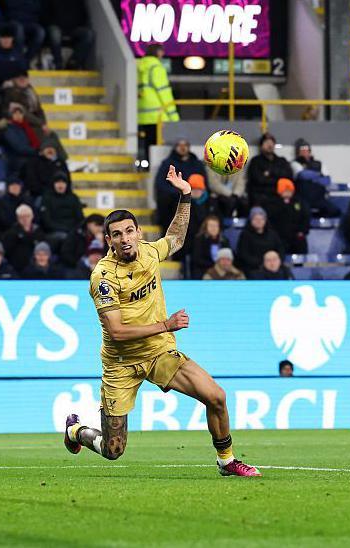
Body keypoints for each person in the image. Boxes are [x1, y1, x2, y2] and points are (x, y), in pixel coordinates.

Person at [64, 165, 260, 477]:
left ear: (138, 232)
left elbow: (177, 238)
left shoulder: (149, 252)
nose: (125, 239)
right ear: (108, 240)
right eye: (117, 234)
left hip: (159, 353)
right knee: (113, 450)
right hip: (121, 363)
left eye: (130, 231)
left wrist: (185, 195)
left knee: (217, 397)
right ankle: (77, 432)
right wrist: (166, 325)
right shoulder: (102, 276)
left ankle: (227, 460)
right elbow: (116, 332)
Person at [136, 44, 178, 160]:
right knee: (159, 145)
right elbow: (163, 92)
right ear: (158, 52)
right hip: (158, 114)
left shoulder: (139, 67)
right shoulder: (156, 68)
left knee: (148, 143)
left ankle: (147, 166)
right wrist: (173, 115)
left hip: (143, 115)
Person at [154, 140, 207, 229]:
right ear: (175, 147)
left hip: (195, 196)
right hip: (174, 196)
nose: (182, 147)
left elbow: (205, 183)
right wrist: (180, 192)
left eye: (185, 144)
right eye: (179, 145)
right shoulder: (167, 163)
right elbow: (160, 184)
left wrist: (196, 192)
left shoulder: (197, 164)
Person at [263, 178, 309, 255]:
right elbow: (271, 219)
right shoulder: (272, 203)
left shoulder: (298, 202)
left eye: (290, 190)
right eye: (285, 190)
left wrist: (302, 231)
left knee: (300, 245)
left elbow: (305, 217)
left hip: (296, 237)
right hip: (279, 237)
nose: (288, 192)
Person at [234, 206, 284, 277]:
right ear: (251, 221)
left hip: (273, 267)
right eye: (256, 219)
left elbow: (281, 250)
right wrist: (263, 263)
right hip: (254, 268)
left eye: (261, 219)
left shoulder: (272, 234)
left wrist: (276, 262)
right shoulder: (245, 235)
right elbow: (243, 254)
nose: (259, 221)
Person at [246, 133, 293, 207]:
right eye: (267, 143)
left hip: (280, 195)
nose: (270, 145)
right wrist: (278, 178)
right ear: (261, 146)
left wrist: (270, 173)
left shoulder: (282, 161)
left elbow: (288, 176)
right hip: (262, 196)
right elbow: (258, 180)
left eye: (271, 143)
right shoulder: (256, 161)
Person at [43, 1, 94, 70]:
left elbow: (84, 14)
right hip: (57, 26)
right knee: (55, 32)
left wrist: (77, 24)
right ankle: (58, 63)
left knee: (88, 34)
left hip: (74, 28)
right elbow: (45, 14)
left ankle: (73, 63)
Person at [39, 174, 84, 244]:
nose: (60, 185)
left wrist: (73, 230)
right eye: (58, 182)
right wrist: (64, 229)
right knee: (65, 238)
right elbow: (46, 221)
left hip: (72, 231)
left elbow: (80, 218)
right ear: (53, 184)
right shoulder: (47, 198)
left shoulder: (74, 198)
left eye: (63, 182)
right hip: (53, 231)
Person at [2, 203, 47, 273]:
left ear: (32, 217)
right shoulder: (10, 233)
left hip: (36, 268)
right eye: (22, 217)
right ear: (18, 218)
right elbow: (7, 251)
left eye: (27, 216)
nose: (25, 219)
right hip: (17, 268)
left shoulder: (38, 232)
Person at [0, 104, 39, 178]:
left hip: (27, 158)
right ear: (11, 116)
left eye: (20, 113)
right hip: (15, 160)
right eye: (15, 113)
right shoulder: (8, 129)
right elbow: (19, 148)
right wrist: (36, 151)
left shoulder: (27, 127)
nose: (18, 115)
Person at [4, 0, 44, 64]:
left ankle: (25, 60)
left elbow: (37, 8)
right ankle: (18, 58)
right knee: (19, 29)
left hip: (30, 22)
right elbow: (9, 5)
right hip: (13, 21)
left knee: (40, 31)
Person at [190, 215, 229, 280]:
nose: (214, 228)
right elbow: (197, 259)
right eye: (211, 226)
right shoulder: (199, 240)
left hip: (223, 268)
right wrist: (213, 265)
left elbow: (229, 256)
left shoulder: (224, 240)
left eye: (216, 226)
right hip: (204, 268)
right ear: (206, 227)